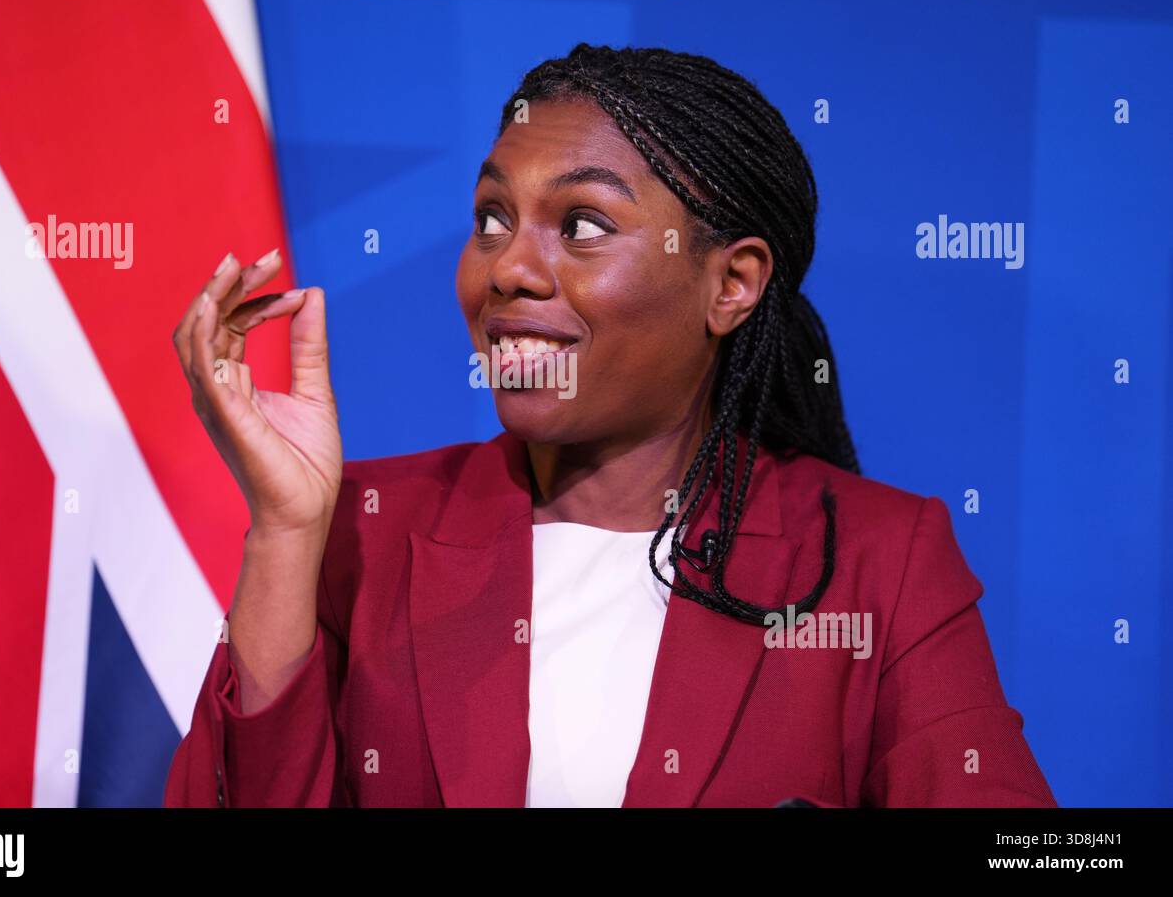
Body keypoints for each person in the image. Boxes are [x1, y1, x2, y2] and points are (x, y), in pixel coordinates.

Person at [163, 43, 1056, 808]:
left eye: (582, 224)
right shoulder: (357, 528)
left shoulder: (876, 559)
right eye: (492, 218)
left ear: (731, 284)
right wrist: (284, 531)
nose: (508, 267)